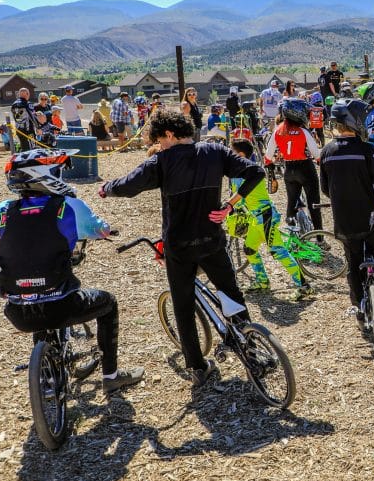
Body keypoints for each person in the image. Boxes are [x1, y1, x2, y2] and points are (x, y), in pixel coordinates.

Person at [99, 111, 264, 386]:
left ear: (169, 134)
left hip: (180, 245)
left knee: (183, 306)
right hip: (211, 239)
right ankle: (252, 351)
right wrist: (230, 205)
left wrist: (107, 188)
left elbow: (129, 185)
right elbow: (256, 171)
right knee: (231, 292)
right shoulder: (215, 151)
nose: (160, 145)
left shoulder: (161, 161)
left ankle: (197, 366)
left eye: (159, 140)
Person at [0, 149, 144, 395]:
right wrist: (104, 231)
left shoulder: (4, 210)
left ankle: (47, 379)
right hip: (63, 306)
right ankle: (111, 376)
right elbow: (99, 229)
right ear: (46, 174)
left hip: (17, 311)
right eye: (57, 171)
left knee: (35, 292)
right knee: (108, 304)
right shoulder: (67, 206)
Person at [320, 99, 374, 329]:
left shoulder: (326, 152)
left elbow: (324, 188)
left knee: (353, 264)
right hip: (370, 218)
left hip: (343, 220)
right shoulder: (367, 149)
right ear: (356, 121)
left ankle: (360, 312)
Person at [226, 139, 313, 299]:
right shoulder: (249, 169)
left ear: (240, 155)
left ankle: (304, 286)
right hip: (257, 218)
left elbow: (238, 200)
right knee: (249, 248)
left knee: (278, 251)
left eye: (232, 152)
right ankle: (262, 281)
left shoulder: (242, 173)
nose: (229, 155)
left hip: (265, 216)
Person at [266, 98, 323, 230]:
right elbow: (317, 155)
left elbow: (268, 156)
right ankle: (319, 237)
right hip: (305, 168)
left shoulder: (278, 130)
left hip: (289, 168)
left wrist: (271, 166)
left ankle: (292, 231)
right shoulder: (303, 131)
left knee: (291, 201)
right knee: (314, 203)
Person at [11, 88, 39, 152]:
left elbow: (14, 117)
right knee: (32, 147)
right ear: (27, 94)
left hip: (18, 129)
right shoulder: (28, 104)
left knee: (23, 146)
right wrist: (38, 127)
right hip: (28, 129)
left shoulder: (13, 104)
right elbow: (32, 116)